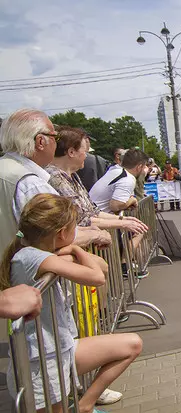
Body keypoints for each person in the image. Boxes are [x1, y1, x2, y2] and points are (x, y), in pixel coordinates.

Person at [2, 193, 142, 413]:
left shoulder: (43, 253)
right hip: (40, 360)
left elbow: (101, 267)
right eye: (74, 228)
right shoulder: (31, 257)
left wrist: (69, 255)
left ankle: (83, 406)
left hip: (59, 348)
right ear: (61, 234)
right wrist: (76, 250)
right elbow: (97, 277)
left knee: (131, 344)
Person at [0, 109, 109, 256]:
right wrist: (97, 235)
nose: (57, 145)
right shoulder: (31, 183)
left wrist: (87, 230)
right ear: (40, 141)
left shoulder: (7, 169)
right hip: (23, 275)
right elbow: (56, 237)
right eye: (55, 138)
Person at [47, 126, 148, 234]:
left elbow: (93, 211)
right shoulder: (55, 178)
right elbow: (81, 220)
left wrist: (123, 220)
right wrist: (122, 223)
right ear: (71, 152)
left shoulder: (73, 176)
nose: (86, 156)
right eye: (85, 151)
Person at [89, 149, 149, 214]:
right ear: (139, 167)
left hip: (90, 212)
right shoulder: (127, 179)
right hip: (94, 217)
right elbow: (115, 205)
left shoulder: (115, 169)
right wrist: (133, 200)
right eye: (144, 166)